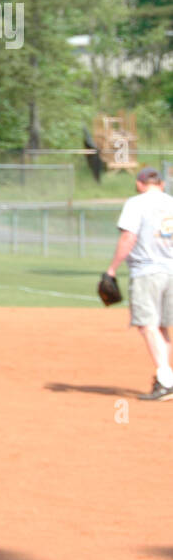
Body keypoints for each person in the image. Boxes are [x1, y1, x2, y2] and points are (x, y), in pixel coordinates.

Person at [105, 166, 173, 401]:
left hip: (146, 271)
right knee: (162, 326)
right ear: (161, 184)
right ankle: (165, 377)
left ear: (139, 184)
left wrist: (112, 269)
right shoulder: (171, 203)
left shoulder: (136, 203)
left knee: (146, 324)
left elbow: (128, 237)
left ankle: (166, 380)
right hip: (171, 271)